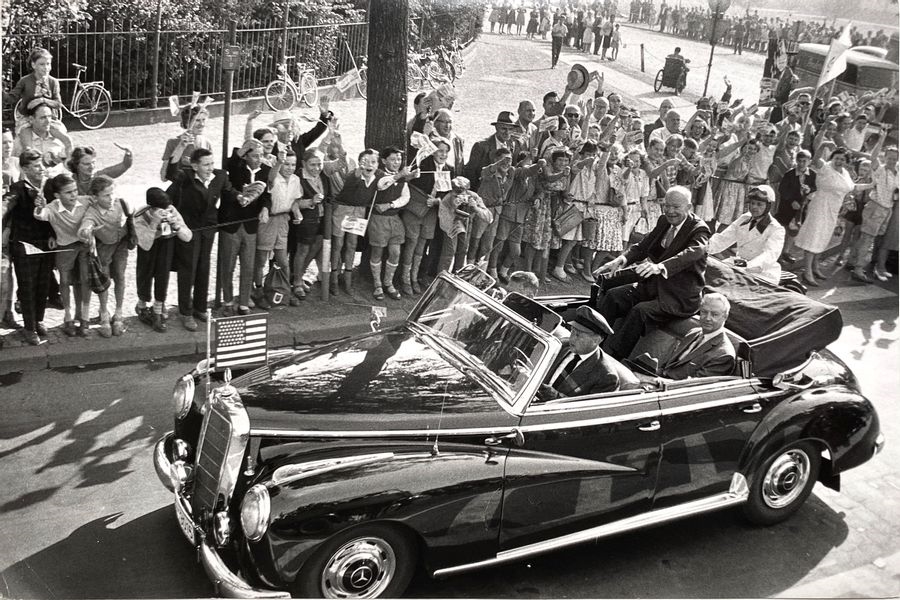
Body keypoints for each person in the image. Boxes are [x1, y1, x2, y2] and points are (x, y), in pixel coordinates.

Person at [595, 185, 710, 360]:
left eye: (676, 207)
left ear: (689, 207)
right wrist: (621, 260)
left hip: (679, 296)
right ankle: (592, 343)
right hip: (654, 286)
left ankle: (613, 358)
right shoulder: (664, 221)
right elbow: (643, 246)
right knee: (613, 296)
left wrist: (660, 267)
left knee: (640, 311)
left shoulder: (699, 229)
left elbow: (693, 253)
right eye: (667, 206)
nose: (670, 211)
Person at [166, 148, 239, 330]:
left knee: (203, 268)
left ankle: (200, 307)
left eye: (212, 163)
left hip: (208, 230)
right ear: (194, 166)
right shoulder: (185, 177)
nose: (210, 168)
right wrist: (180, 146)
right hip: (189, 230)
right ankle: (186, 312)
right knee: (188, 270)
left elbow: (230, 191)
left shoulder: (220, 176)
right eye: (206, 165)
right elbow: (170, 172)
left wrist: (241, 196)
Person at [794, 144, 868, 287]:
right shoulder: (825, 167)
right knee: (813, 237)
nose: (839, 161)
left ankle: (815, 267)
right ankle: (807, 272)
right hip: (820, 206)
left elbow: (853, 187)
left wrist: (871, 184)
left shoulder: (845, 173)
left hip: (833, 209)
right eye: (836, 158)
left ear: (846, 162)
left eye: (842, 159)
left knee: (823, 238)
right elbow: (815, 159)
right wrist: (823, 145)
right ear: (832, 158)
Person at [2, 150, 53, 345]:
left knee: (43, 285)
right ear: (24, 169)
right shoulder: (18, 188)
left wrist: (52, 235)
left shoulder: (48, 186)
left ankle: (39, 320)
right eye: (36, 166)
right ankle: (29, 327)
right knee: (27, 287)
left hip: (46, 244)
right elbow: (7, 202)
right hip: (24, 245)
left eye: (41, 165)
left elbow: (54, 213)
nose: (41, 169)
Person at [538, 305, 638, 399]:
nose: (572, 338)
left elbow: (592, 409)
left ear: (596, 340)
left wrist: (557, 396)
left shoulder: (606, 377)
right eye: (572, 331)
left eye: (579, 335)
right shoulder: (563, 345)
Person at [34, 173, 90, 337]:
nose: (73, 195)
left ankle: (84, 317)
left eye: (75, 190)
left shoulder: (85, 201)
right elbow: (40, 215)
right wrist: (39, 207)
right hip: (65, 247)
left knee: (85, 280)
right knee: (64, 281)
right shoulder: (52, 208)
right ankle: (68, 317)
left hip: (84, 245)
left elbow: (100, 205)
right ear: (57, 195)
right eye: (68, 192)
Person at [635, 293, 737, 381]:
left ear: (725, 317)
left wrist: (653, 380)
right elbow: (668, 367)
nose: (707, 318)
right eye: (704, 312)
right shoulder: (693, 332)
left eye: (714, 314)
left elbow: (693, 387)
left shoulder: (723, 354)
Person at [77, 175, 131, 337]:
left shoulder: (120, 203)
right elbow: (85, 225)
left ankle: (119, 313)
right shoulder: (92, 212)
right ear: (95, 198)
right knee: (104, 281)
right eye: (106, 195)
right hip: (104, 248)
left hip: (121, 246)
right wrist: (85, 231)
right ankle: (104, 315)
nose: (111, 197)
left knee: (120, 276)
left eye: (112, 193)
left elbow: (132, 215)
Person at [220, 138, 269, 315]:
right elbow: (228, 164)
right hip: (231, 225)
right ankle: (227, 301)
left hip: (251, 226)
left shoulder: (265, 170)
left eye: (261, 155)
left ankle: (243, 303)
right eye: (255, 156)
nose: (258, 159)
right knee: (228, 266)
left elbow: (267, 195)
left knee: (248, 266)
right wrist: (244, 148)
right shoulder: (236, 167)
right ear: (246, 156)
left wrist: (265, 208)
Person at [132, 188, 192, 332]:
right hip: (148, 248)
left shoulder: (171, 210)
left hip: (165, 245)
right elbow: (145, 244)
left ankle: (157, 311)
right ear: (151, 206)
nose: (164, 212)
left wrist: (176, 226)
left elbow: (188, 236)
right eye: (160, 209)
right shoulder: (140, 215)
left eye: (165, 208)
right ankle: (141, 306)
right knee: (144, 275)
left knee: (162, 276)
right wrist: (153, 223)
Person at [708, 184, 785, 284]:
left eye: (759, 204)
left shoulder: (776, 229)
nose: (754, 207)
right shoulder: (745, 218)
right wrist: (703, 248)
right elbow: (723, 238)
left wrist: (747, 266)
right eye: (752, 203)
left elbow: (769, 255)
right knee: (712, 274)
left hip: (761, 271)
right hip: (739, 263)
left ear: (768, 206)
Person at [256, 150, 302, 309]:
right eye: (286, 164)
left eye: (293, 164)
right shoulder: (274, 177)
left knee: (283, 260)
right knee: (261, 260)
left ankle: (285, 291)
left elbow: (295, 201)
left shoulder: (296, 180)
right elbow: (270, 178)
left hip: (283, 220)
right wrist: (279, 163)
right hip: (269, 221)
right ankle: (259, 291)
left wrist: (297, 212)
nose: (290, 168)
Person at [331, 149, 379, 295]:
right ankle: (333, 279)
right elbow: (354, 177)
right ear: (359, 163)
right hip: (343, 210)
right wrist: (360, 169)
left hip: (359, 211)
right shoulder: (355, 174)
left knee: (352, 244)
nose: (369, 165)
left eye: (373, 162)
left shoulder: (377, 176)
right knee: (338, 244)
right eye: (365, 161)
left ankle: (347, 279)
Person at [371, 146, 415, 300]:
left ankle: (388, 283)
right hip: (378, 219)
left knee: (395, 253)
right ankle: (377, 284)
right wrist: (400, 175)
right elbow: (381, 185)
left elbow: (405, 197)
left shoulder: (401, 179)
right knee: (377, 252)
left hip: (394, 218)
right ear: (384, 161)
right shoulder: (378, 174)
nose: (397, 162)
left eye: (399, 159)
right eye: (393, 159)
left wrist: (391, 205)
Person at [289, 148, 331, 301]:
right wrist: (310, 201)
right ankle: (297, 283)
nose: (317, 168)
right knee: (303, 250)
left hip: (322, 219)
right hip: (306, 221)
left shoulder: (323, 176)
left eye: (319, 164)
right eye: (312, 165)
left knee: (316, 246)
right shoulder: (298, 179)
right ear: (303, 163)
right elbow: (293, 203)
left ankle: (299, 276)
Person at [5, 48, 63, 132]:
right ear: (33, 65)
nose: (46, 68)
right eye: (42, 64)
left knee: (61, 133)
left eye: (48, 64)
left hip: (48, 118)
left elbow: (58, 104)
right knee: (25, 134)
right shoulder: (25, 81)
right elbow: (11, 98)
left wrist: (42, 100)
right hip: (27, 117)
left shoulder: (53, 82)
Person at [161, 104, 212, 182]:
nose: (202, 124)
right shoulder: (173, 143)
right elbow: (164, 177)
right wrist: (181, 147)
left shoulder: (206, 143)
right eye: (197, 120)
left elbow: (209, 174)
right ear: (187, 123)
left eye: (204, 120)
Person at [66, 144, 134, 195]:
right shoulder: (70, 181)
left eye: (93, 162)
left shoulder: (100, 176)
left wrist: (128, 153)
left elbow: (125, 165)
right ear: (76, 165)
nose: (91, 166)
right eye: (86, 164)